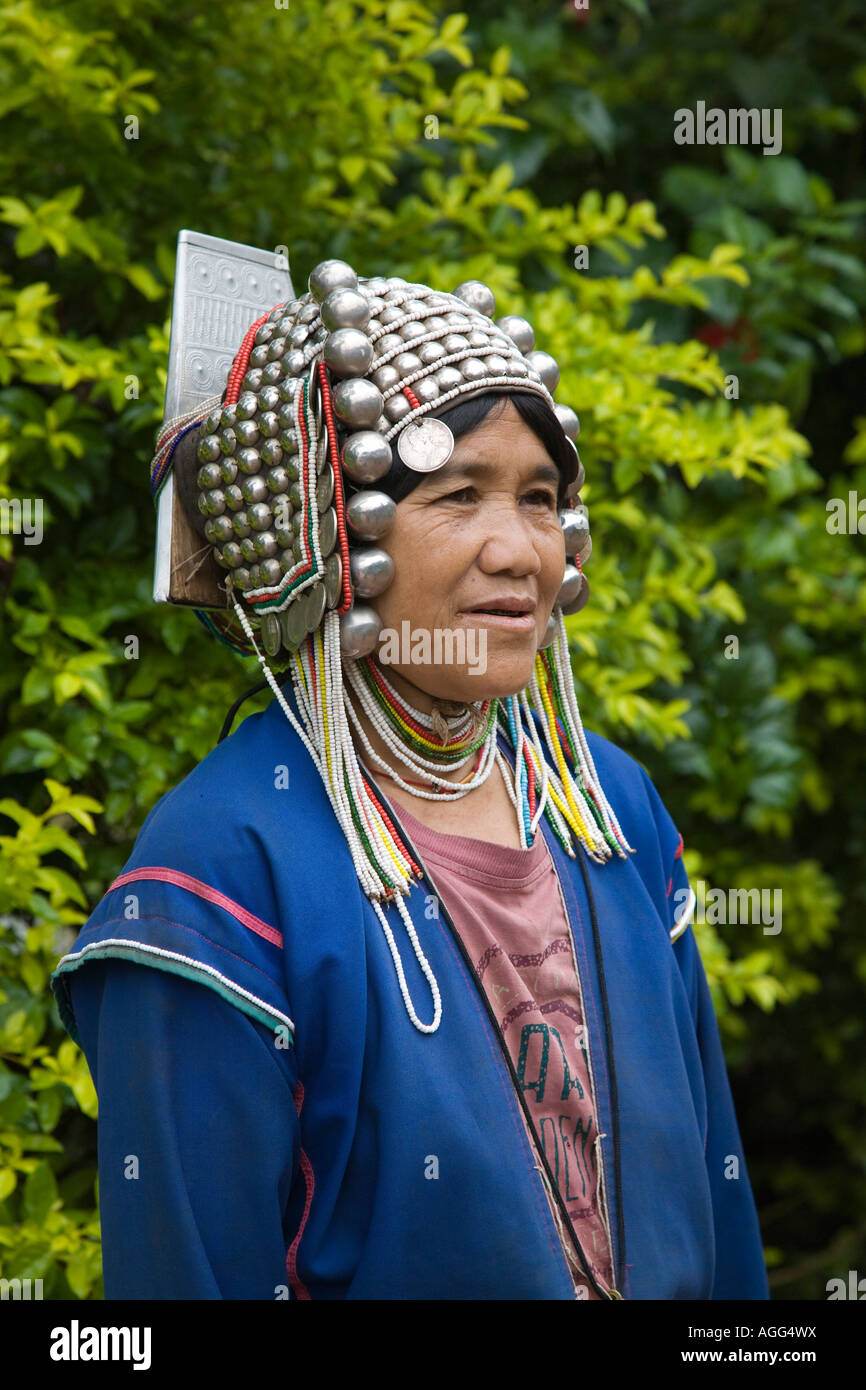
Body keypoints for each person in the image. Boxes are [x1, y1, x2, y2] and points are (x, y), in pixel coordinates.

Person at [51, 261, 769, 1301]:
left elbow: (719, 1214)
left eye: (537, 499)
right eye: (458, 494)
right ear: (330, 530)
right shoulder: (218, 878)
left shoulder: (609, 813)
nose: (516, 549)